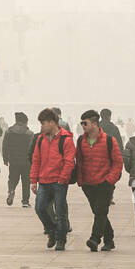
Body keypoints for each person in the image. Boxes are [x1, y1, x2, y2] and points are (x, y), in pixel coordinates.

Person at [76, 109, 124, 252]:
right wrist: (81, 181)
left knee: (101, 210)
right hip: (88, 184)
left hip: (105, 183)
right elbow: (78, 161)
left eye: (85, 123)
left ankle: (95, 238)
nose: (83, 126)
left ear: (95, 123)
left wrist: (110, 180)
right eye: (81, 123)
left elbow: (118, 162)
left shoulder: (109, 140)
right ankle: (109, 240)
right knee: (98, 212)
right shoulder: (81, 140)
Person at [30, 107, 75, 251]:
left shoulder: (66, 139)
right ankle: (52, 231)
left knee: (61, 212)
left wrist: (63, 178)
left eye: (43, 123)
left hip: (59, 182)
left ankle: (61, 239)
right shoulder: (40, 139)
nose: (41, 127)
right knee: (40, 208)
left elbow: (69, 162)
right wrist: (33, 180)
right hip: (43, 181)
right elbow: (36, 159)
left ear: (51, 122)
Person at [1, 112, 34, 208]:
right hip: (26, 161)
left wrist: (5, 159)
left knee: (12, 178)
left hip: (13, 159)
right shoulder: (29, 133)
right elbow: (32, 148)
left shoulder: (8, 132)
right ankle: (25, 201)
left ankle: (11, 190)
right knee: (26, 181)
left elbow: (5, 146)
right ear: (25, 122)